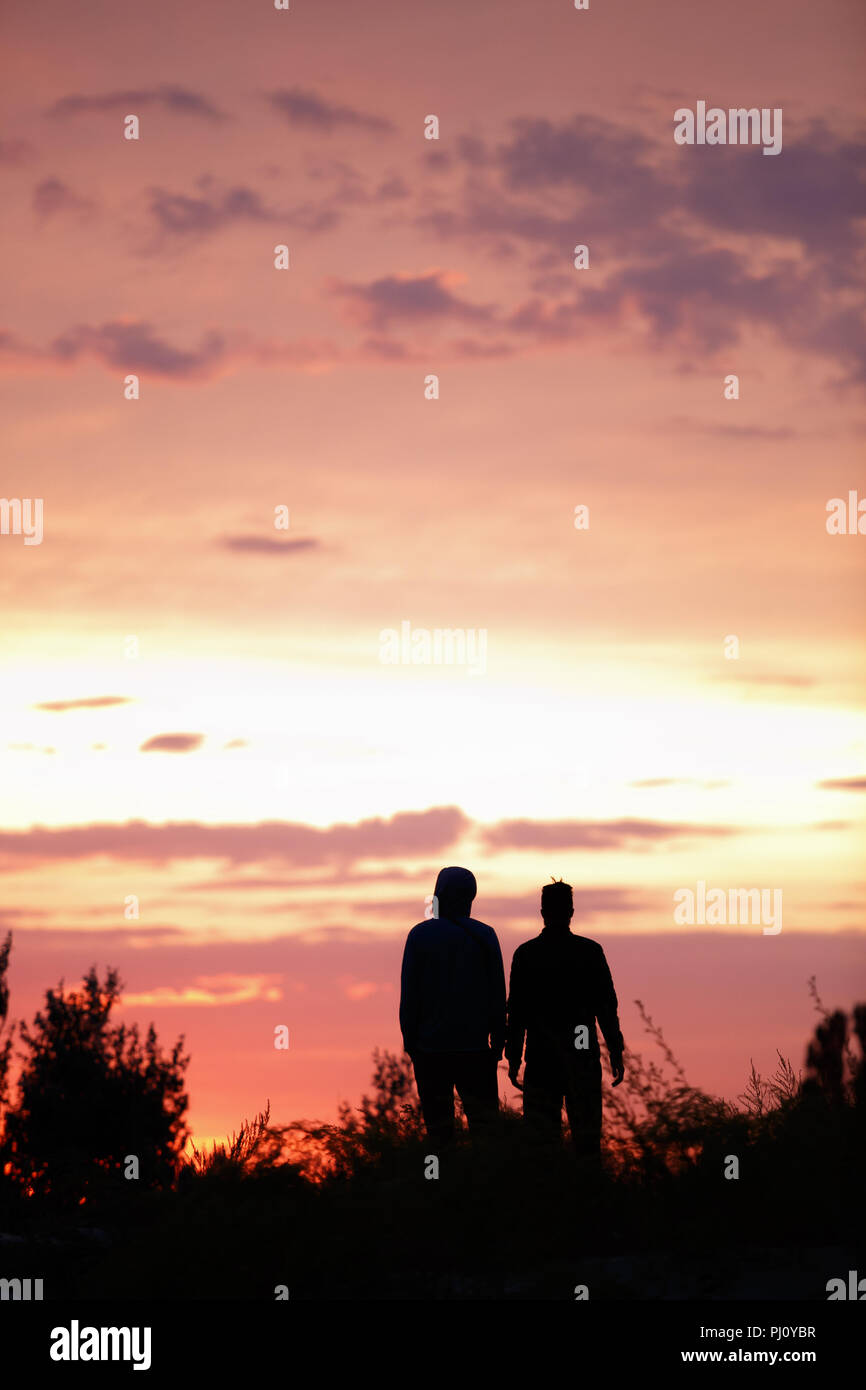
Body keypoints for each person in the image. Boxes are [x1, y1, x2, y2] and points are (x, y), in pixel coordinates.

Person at [505, 878, 624, 1159]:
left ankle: (550, 1198)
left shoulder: (526, 954)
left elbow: (517, 1013)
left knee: (542, 1145)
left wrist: (512, 1057)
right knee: (587, 1142)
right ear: (571, 911)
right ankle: (588, 1196)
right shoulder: (590, 952)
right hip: (581, 1057)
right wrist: (616, 1051)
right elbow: (607, 1007)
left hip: (541, 1058)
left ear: (542, 912)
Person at [400, 866, 506, 1147]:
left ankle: (441, 1185)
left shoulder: (419, 936)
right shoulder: (485, 935)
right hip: (475, 1051)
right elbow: (497, 993)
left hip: (431, 1053)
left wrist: (410, 1043)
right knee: (485, 1132)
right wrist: (498, 1040)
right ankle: (484, 1186)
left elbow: (410, 996)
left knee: (439, 1132)